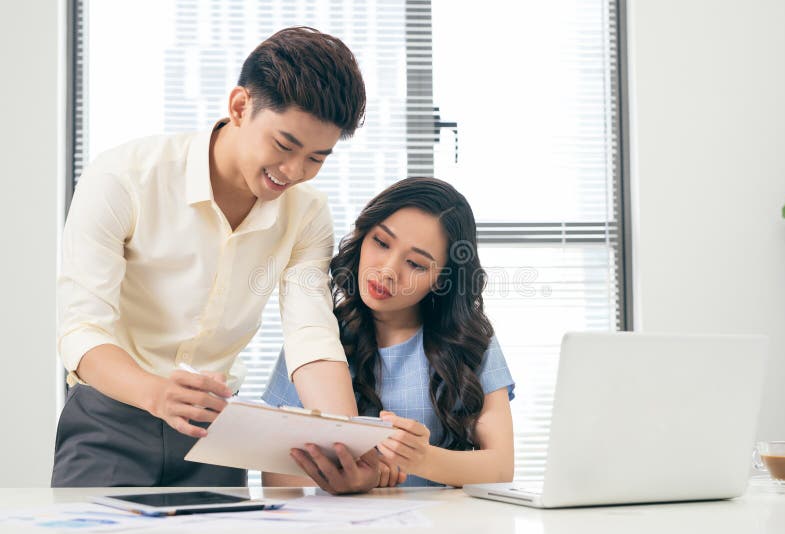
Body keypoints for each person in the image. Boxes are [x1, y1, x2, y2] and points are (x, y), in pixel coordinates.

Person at [52, 27, 372, 488]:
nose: (294, 172)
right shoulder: (123, 177)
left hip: (215, 429)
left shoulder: (307, 214)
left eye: (316, 159)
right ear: (240, 106)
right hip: (110, 416)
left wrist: (347, 443)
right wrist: (156, 393)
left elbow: (311, 334)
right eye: (284, 146)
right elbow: (81, 328)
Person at [262, 177, 515, 492]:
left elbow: (502, 467)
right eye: (381, 243)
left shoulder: (472, 341)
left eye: (416, 264)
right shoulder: (315, 339)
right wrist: (347, 481)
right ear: (363, 235)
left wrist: (421, 458)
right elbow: (278, 480)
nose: (387, 271)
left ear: (440, 279)